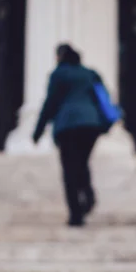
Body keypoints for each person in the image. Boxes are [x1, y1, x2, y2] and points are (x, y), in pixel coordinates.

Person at [33, 44, 107, 227]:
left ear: (60, 56)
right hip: (91, 125)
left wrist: (38, 130)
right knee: (81, 163)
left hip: (68, 126)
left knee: (69, 169)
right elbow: (103, 98)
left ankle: (76, 214)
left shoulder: (59, 75)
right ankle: (88, 197)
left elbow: (50, 103)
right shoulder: (90, 73)